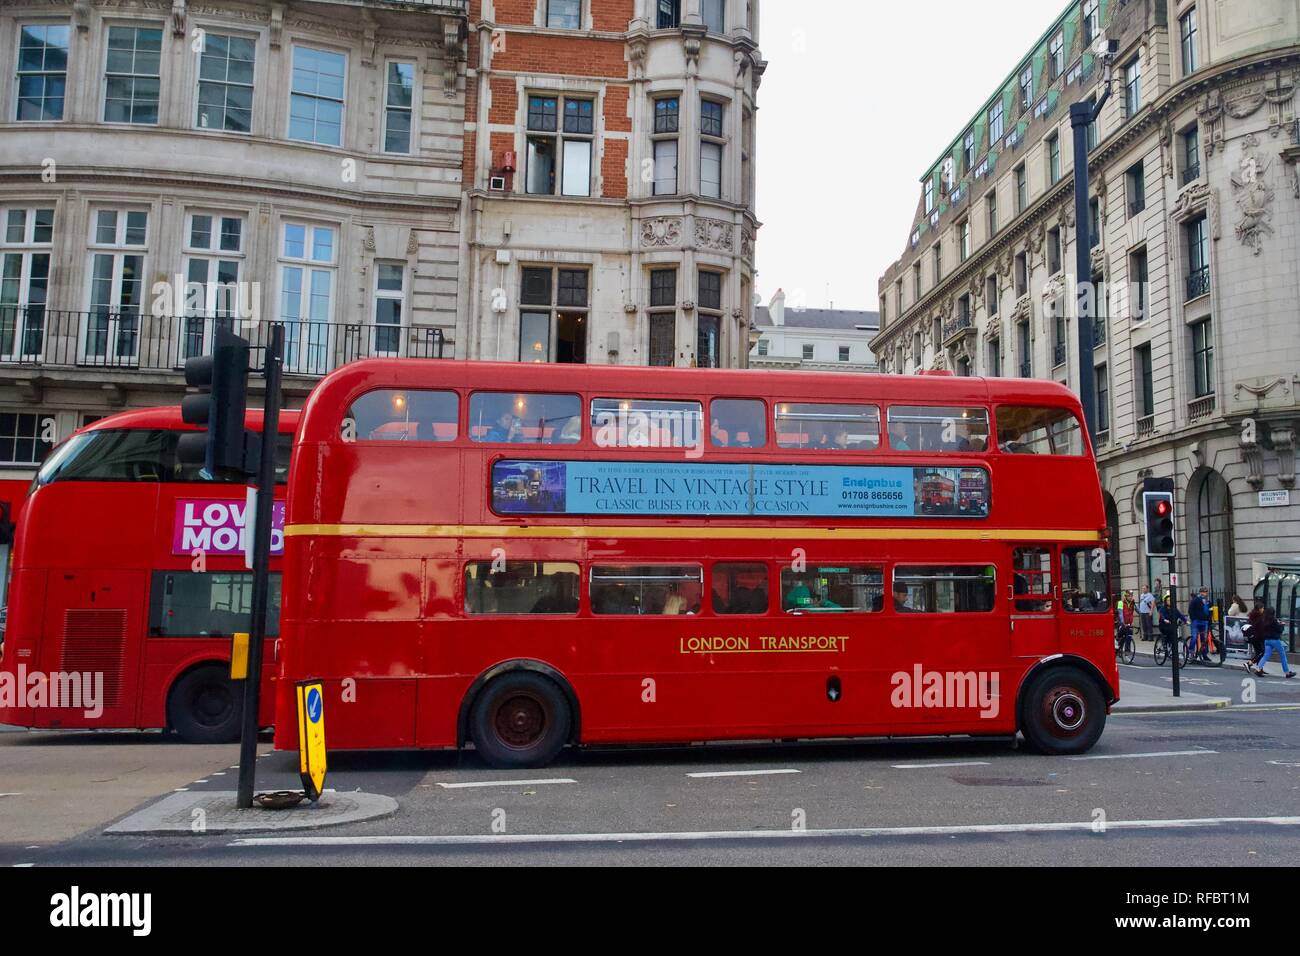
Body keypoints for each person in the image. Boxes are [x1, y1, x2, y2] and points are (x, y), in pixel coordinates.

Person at [1253, 604, 1296, 678]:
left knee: (1266, 656)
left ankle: (1258, 669)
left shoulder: (1264, 620)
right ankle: (1287, 673)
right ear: (1273, 613)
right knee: (1283, 656)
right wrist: (1282, 625)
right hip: (1275, 640)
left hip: (1266, 641)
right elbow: (1279, 630)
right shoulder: (1274, 620)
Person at [1188, 587, 1213, 661]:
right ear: (1200, 592)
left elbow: (1210, 611)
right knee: (1194, 637)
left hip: (1205, 621)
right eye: (1203, 592)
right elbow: (1190, 610)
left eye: (1206, 592)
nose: (1205, 593)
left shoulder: (1208, 602)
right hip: (1196, 621)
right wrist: (1193, 619)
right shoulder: (1195, 600)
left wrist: (1209, 620)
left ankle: (1204, 654)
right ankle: (1191, 652)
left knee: (1204, 639)